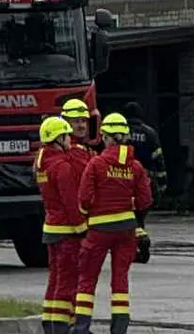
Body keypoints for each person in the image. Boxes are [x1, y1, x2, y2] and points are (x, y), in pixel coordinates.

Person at [77, 111, 153, 334]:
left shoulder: (96, 164)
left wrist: (87, 214)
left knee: (87, 279)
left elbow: (84, 199)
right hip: (126, 230)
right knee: (120, 281)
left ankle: (82, 327)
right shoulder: (136, 167)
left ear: (107, 137)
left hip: (99, 230)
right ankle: (119, 328)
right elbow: (145, 201)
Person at [36, 115, 87, 331]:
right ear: (58, 138)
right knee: (68, 280)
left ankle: (49, 320)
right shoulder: (62, 166)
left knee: (55, 278)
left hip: (51, 228)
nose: (70, 139)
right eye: (66, 135)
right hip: (67, 231)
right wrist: (83, 228)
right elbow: (70, 201)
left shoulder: (42, 162)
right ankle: (61, 325)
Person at [121, 101, 167, 262]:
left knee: (126, 217)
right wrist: (162, 183)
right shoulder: (150, 133)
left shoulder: (121, 133)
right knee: (139, 216)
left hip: (123, 180)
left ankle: (134, 246)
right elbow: (159, 159)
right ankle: (140, 240)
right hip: (146, 180)